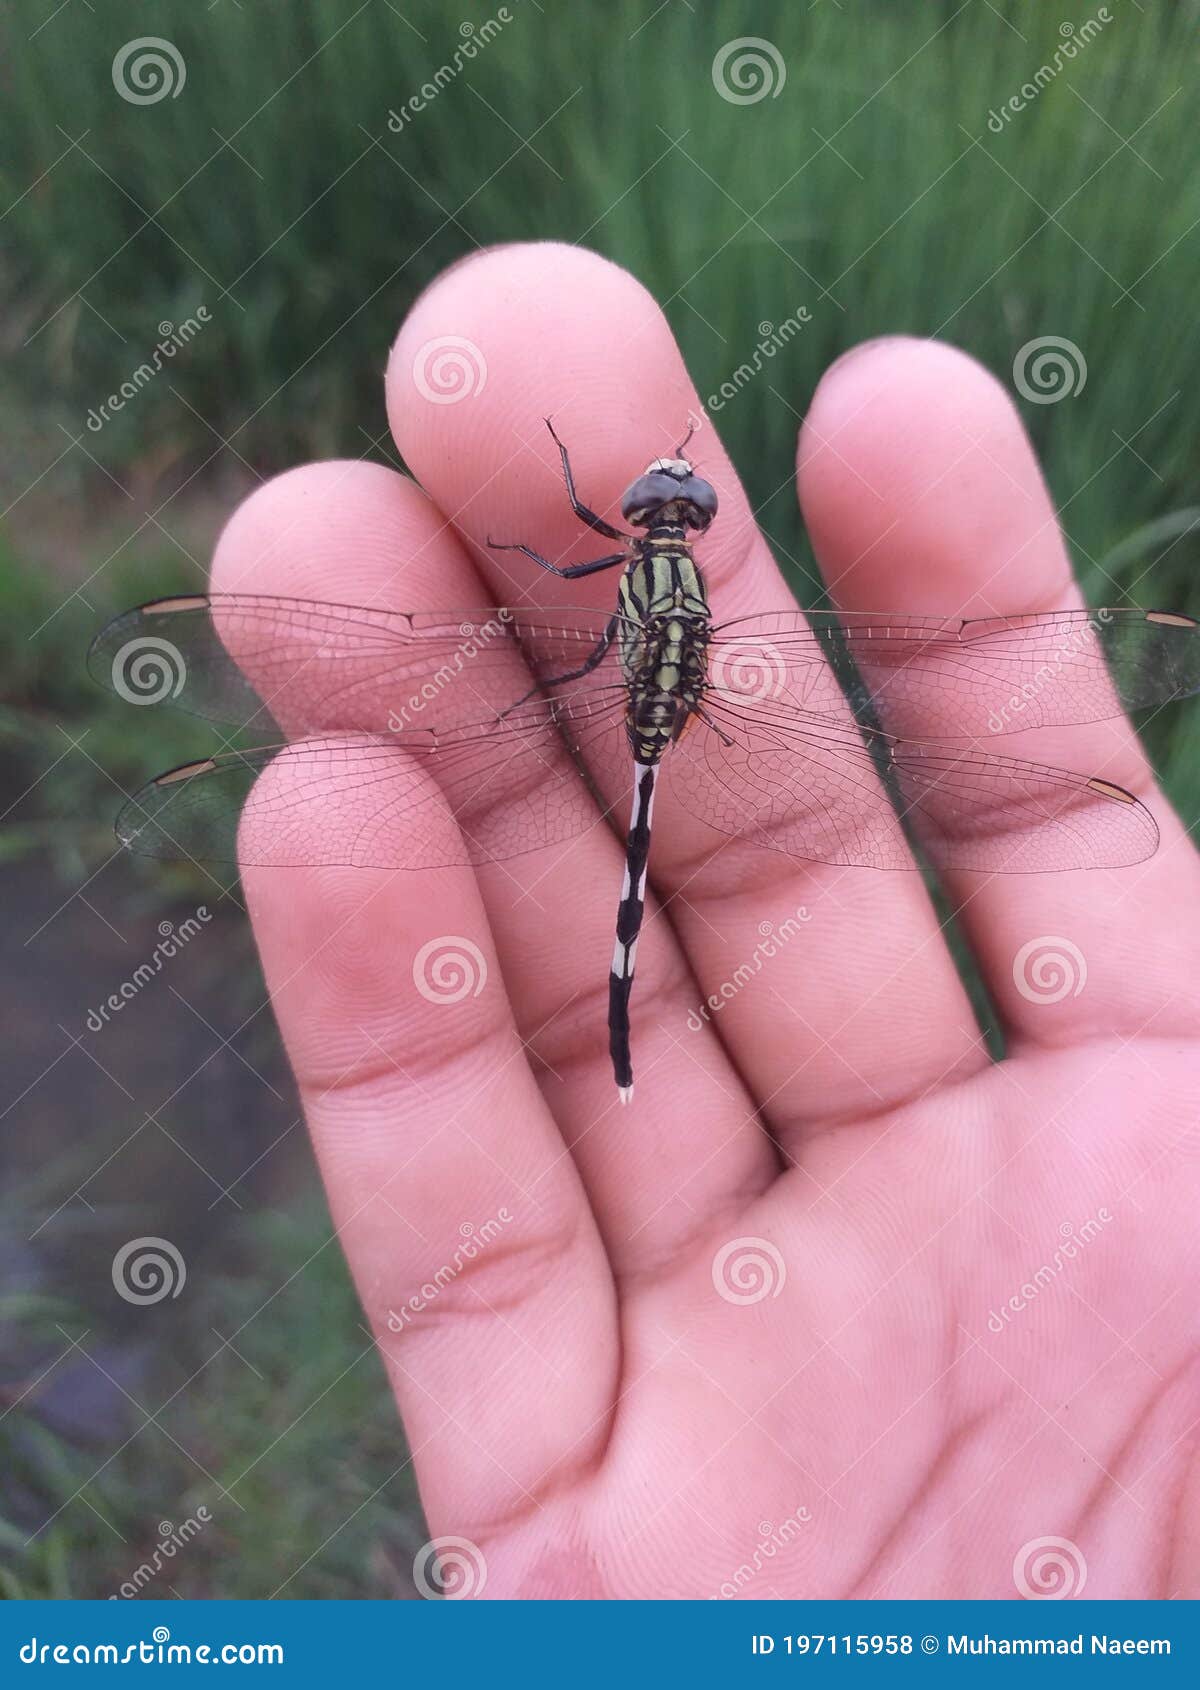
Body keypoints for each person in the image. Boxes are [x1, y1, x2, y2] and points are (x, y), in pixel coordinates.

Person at [213, 243, 1200, 1600]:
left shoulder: (618, 569)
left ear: (650, 526)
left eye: (658, 497)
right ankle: (625, 969)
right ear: (680, 524)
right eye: (662, 495)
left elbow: (553, 536)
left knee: (586, 856)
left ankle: (625, 978)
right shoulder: (672, 583)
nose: (656, 502)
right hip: (692, 718)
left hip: (659, 723)